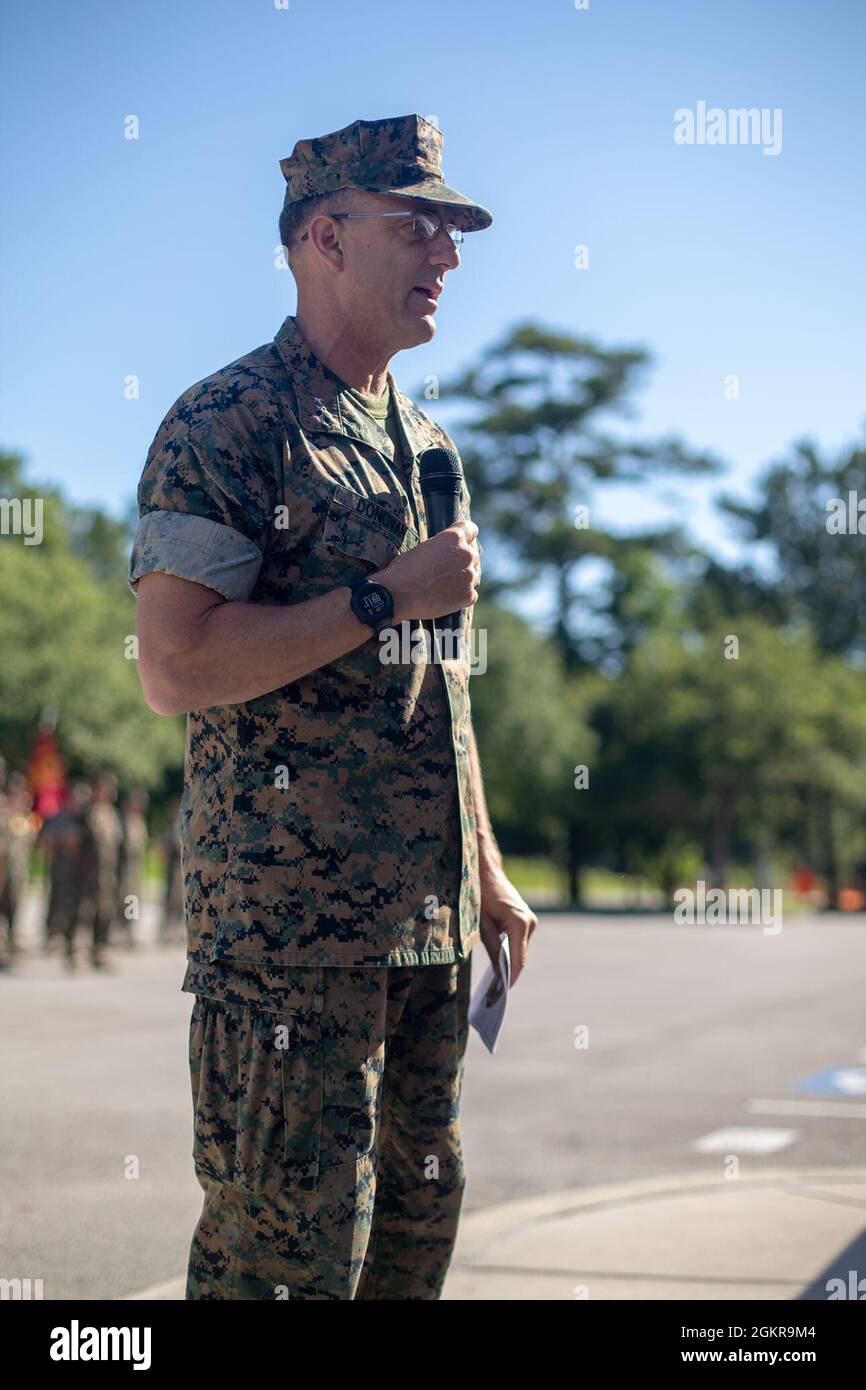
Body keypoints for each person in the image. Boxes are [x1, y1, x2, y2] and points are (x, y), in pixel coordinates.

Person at [129, 113, 537, 1301]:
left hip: (423, 936)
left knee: (411, 1250)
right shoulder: (230, 422)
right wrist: (381, 593)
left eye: (452, 229)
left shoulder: (428, 448)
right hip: (288, 953)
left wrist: (487, 864)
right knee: (282, 1266)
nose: (446, 254)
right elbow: (175, 665)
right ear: (322, 236)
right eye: (417, 224)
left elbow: (441, 688)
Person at [78, 773, 122, 970]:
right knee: (85, 912)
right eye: (105, 788)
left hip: (107, 874)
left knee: (105, 912)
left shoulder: (112, 815)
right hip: (89, 874)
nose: (108, 792)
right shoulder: (88, 813)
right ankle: (78, 952)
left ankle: (100, 951)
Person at [117, 788, 150, 946]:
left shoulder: (139, 822)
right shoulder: (122, 822)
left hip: (135, 869)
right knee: (124, 899)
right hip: (124, 869)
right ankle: (121, 930)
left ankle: (130, 931)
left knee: (134, 899)